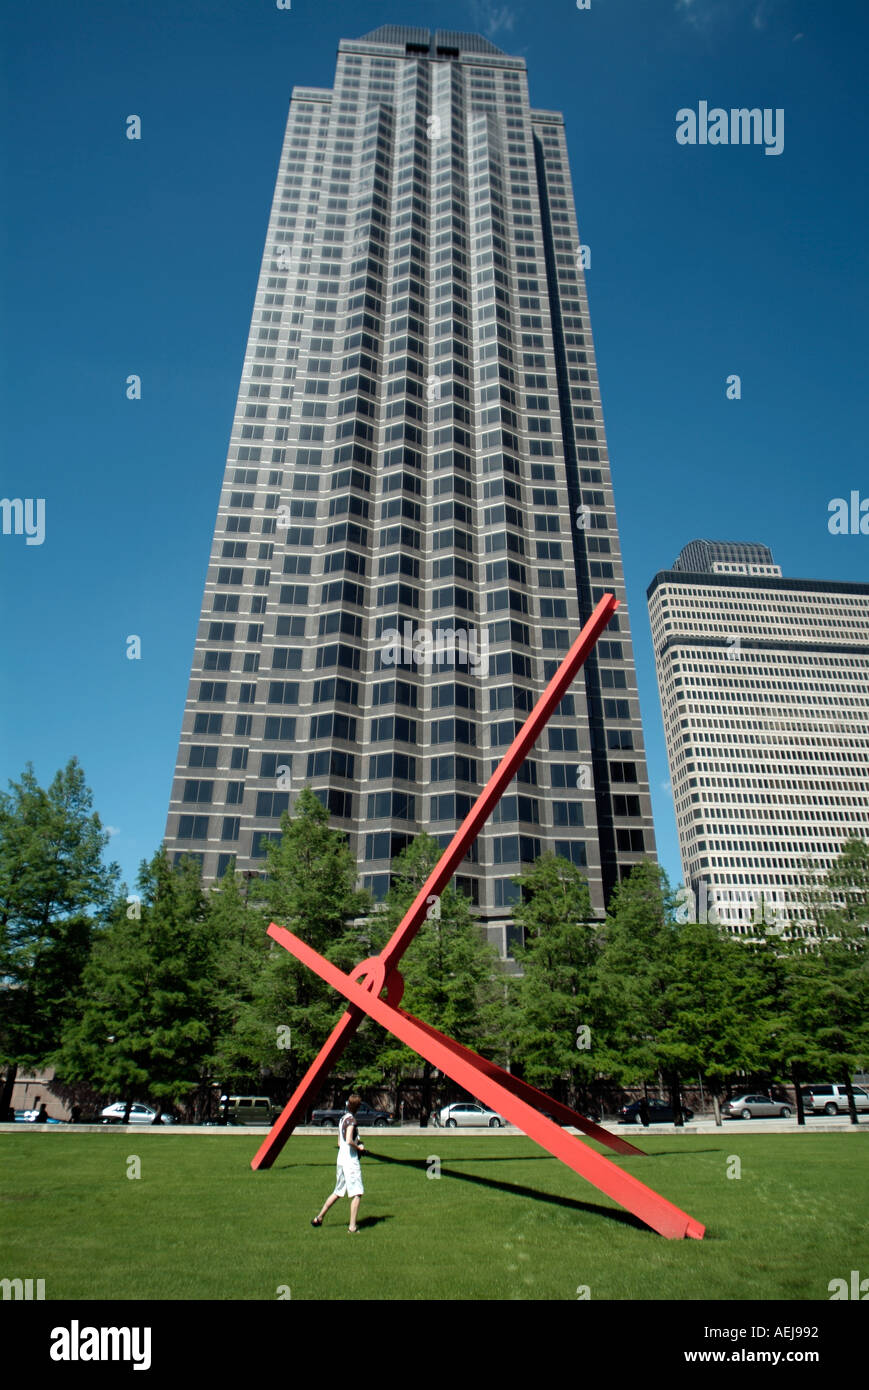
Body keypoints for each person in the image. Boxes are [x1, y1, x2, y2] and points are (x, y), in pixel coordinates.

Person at [311, 1095, 366, 1233]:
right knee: (357, 1193)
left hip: (340, 1159)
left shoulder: (342, 1119)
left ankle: (319, 1217)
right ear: (358, 1107)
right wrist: (359, 1147)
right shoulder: (352, 1121)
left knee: (338, 1192)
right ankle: (352, 1227)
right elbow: (348, 1140)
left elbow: (339, 1142)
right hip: (350, 1161)